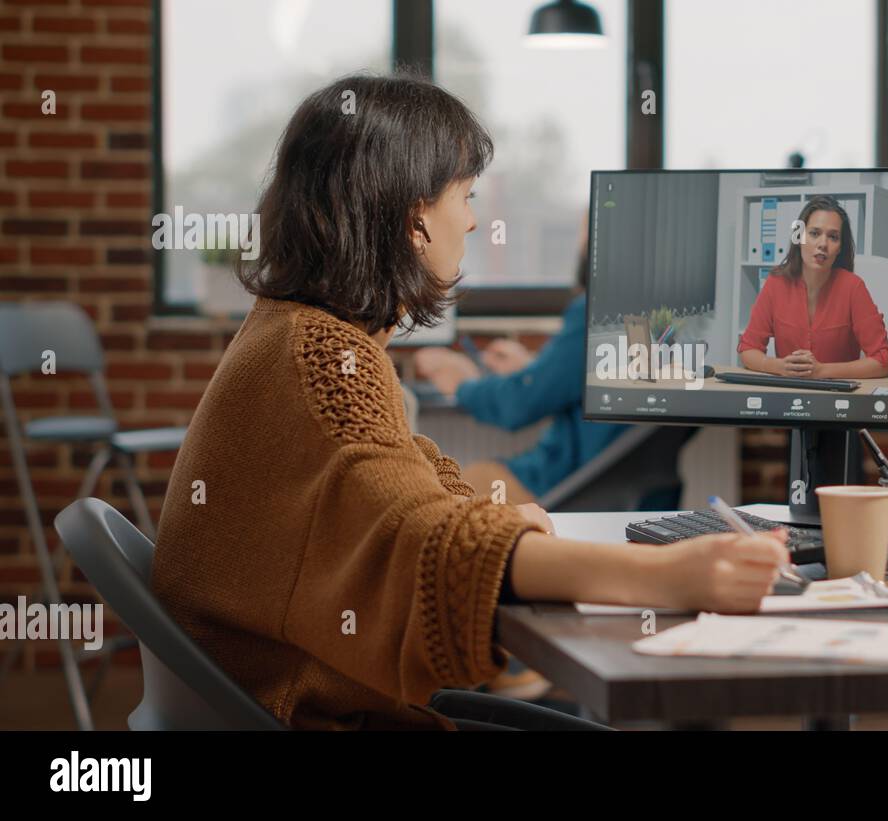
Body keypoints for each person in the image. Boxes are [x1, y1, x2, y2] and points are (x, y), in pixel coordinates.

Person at [150, 73, 789, 731]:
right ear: (415, 217)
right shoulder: (321, 358)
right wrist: (667, 577)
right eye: (467, 194)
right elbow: (427, 537)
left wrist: (504, 522)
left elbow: (413, 474)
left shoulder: (294, 331)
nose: (476, 218)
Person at [412, 233, 625, 507]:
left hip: (568, 483)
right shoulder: (662, 316)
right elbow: (571, 380)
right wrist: (533, 370)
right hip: (636, 490)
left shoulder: (596, 311)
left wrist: (462, 384)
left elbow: (517, 405)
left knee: (450, 491)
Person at [737, 195, 888, 379]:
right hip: (788, 394)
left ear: (840, 247)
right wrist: (778, 366)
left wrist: (821, 371)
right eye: (814, 233)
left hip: (838, 398)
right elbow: (748, 349)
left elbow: (884, 360)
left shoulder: (853, 288)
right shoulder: (776, 283)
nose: (822, 244)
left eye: (833, 237)